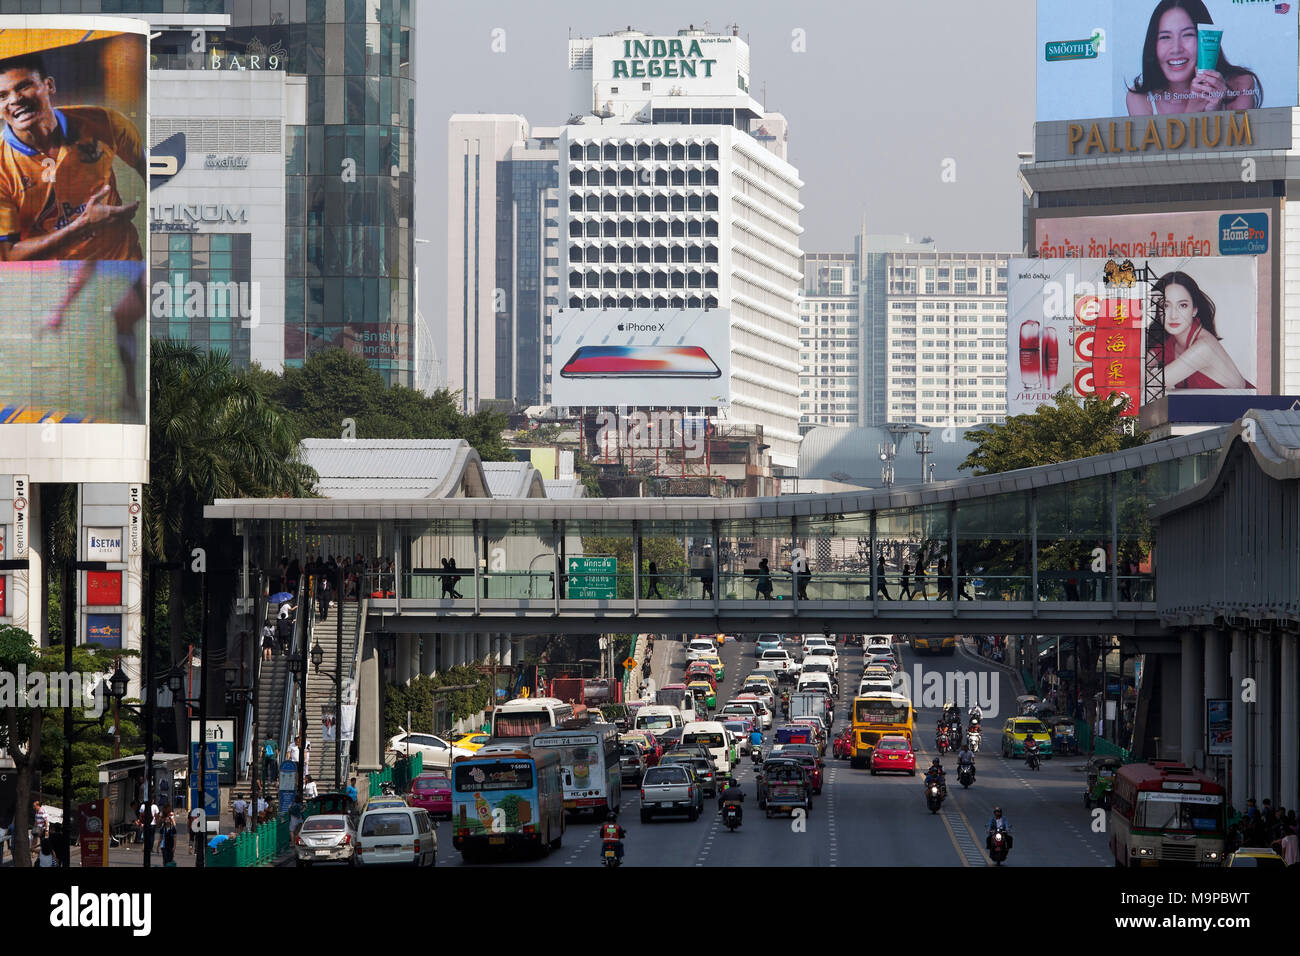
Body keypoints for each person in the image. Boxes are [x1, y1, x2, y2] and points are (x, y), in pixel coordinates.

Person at [0, 53, 148, 414]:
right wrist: (83, 225)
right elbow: (8, 256)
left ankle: (133, 393)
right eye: (2, 96)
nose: (14, 100)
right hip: (60, 270)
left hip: (122, 256)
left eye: (23, 86)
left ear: (48, 86)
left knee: (125, 316)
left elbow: (154, 171)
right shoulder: (3, 168)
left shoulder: (102, 123)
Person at [1125, 0, 1262, 116]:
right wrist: (1193, 110)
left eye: (1187, 35)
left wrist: (1215, 112)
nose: (1176, 48)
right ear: (1153, 44)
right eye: (1165, 37)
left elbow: (1242, 146)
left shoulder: (1240, 85)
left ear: (1203, 38)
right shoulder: (1140, 99)